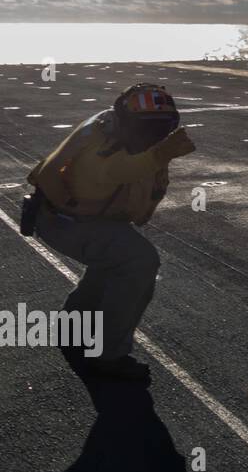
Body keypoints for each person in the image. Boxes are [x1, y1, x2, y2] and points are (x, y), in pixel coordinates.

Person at [26, 84, 196, 381]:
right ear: (128, 121)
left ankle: (71, 323)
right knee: (139, 260)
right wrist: (159, 155)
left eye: (162, 127)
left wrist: (156, 155)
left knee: (115, 258)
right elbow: (113, 172)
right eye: (146, 127)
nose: (153, 135)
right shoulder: (105, 142)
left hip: (82, 218)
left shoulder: (118, 130)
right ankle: (108, 356)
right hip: (64, 221)